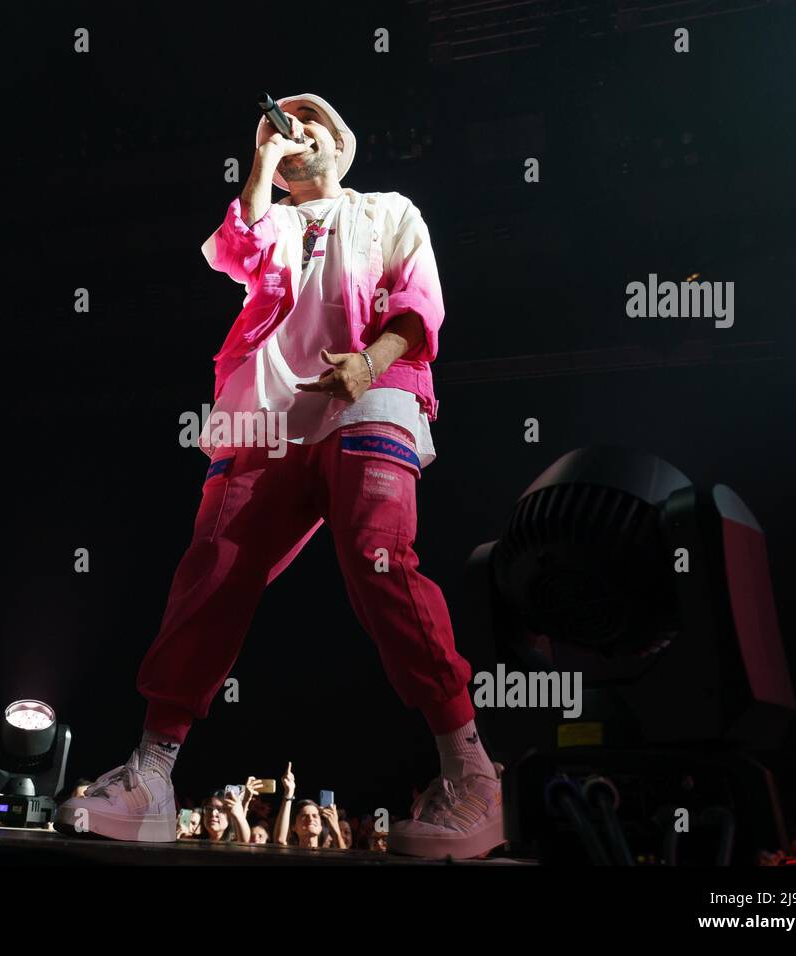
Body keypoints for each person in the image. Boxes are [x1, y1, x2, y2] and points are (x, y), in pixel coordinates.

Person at [56, 93, 502, 860]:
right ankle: (153, 776)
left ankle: (471, 773)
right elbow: (238, 250)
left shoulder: (391, 211)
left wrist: (369, 364)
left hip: (371, 394)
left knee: (377, 557)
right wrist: (262, 161)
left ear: (344, 142)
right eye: (279, 125)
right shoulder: (276, 219)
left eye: (311, 122)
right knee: (215, 570)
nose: (295, 131)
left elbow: (416, 305)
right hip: (264, 409)